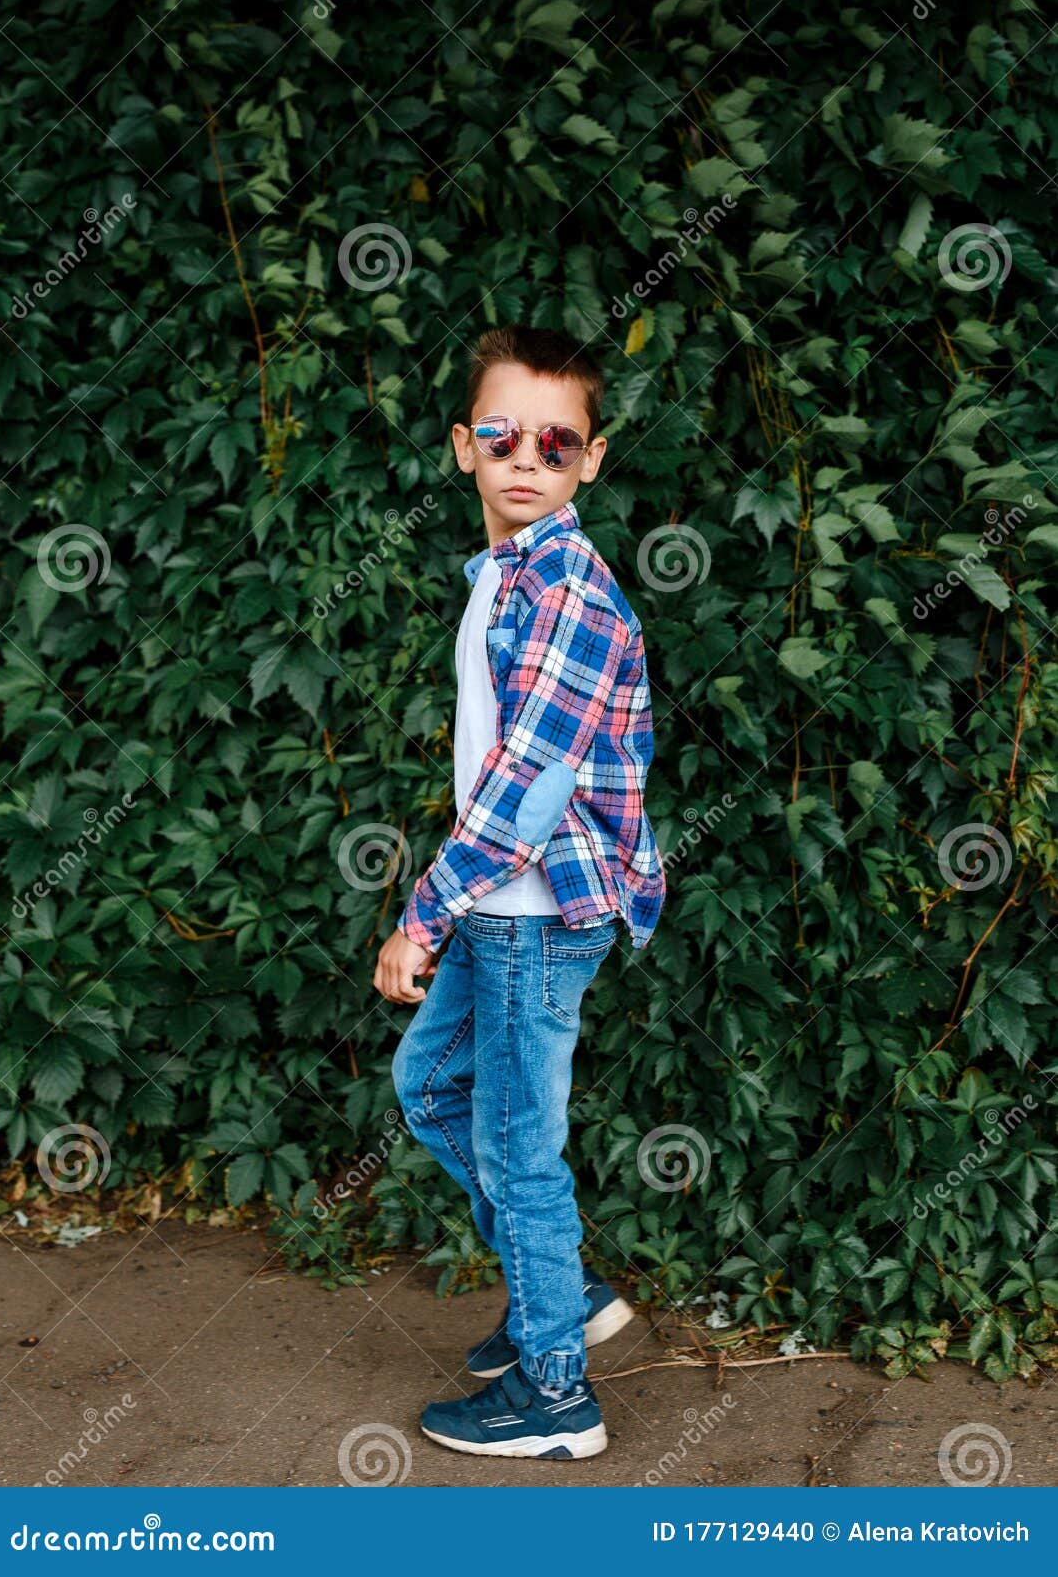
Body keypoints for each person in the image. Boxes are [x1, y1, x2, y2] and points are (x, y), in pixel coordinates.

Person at [374, 322, 666, 1460]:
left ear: (590, 459)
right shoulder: (508, 575)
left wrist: (421, 915)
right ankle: (565, 1292)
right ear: (464, 446)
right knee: (431, 1084)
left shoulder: (567, 593)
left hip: (532, 914)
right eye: (502, 437)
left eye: (557, 442)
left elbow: (525, 791)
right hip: (505, 905)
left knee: (518, 1151)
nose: (527, 459)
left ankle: (555, 1397)